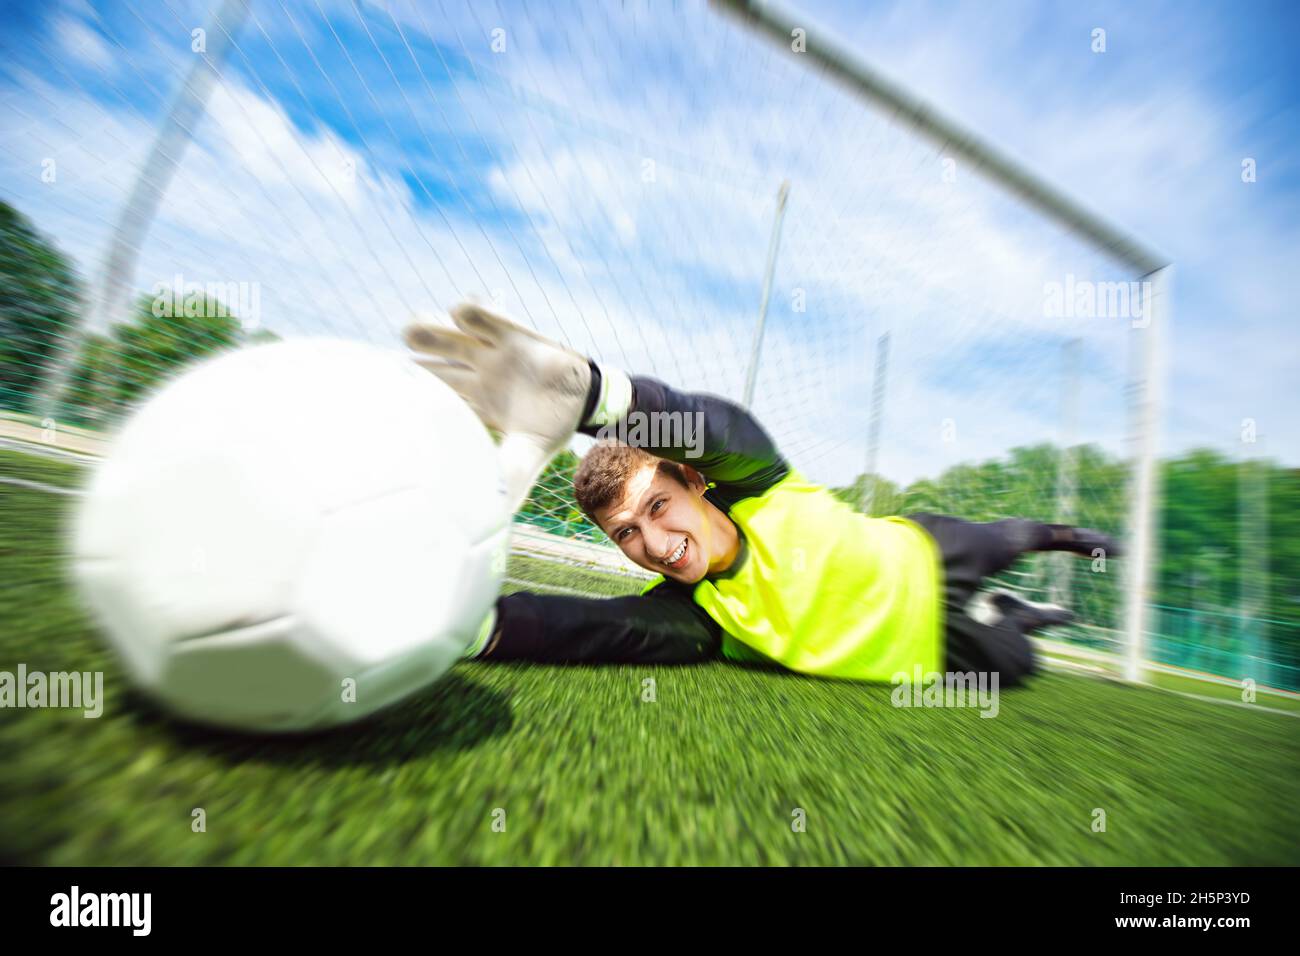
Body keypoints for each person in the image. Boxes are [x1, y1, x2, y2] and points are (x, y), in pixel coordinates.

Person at [405, 304, 1120, 687]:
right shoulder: (699, 619)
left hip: (922, 552)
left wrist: (593, 396)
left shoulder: (754, 481)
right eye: (626, 534)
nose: (654, 544)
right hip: (934, 648)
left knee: (1011, 538)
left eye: (656, 506)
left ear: (695, 479)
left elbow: (716, 426)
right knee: (1016, 662)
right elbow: (594, 628)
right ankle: (1018, 617)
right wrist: (460, 627)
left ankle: (1062, 535)